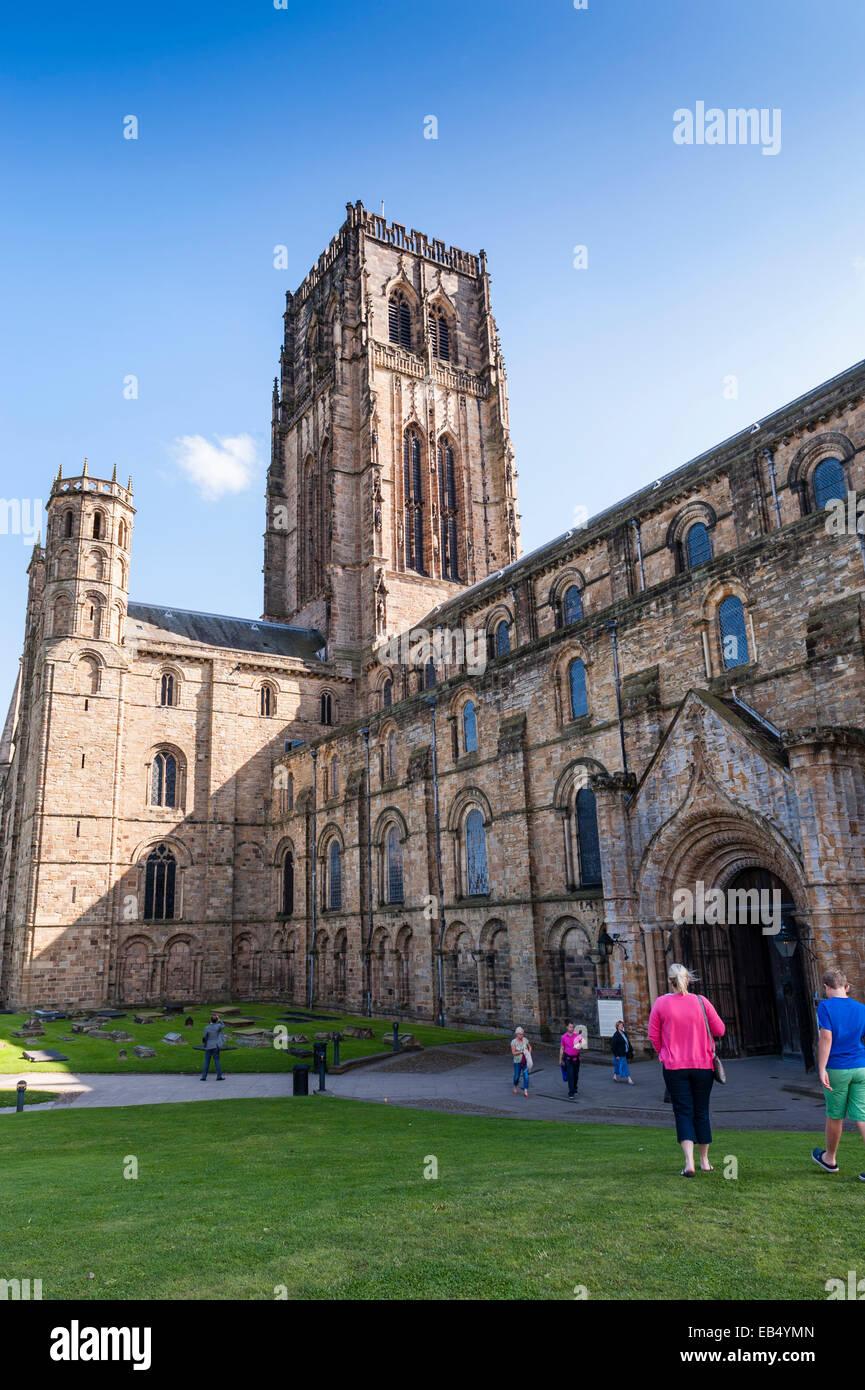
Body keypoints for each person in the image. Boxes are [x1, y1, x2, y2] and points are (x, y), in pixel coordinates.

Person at [648, 963, 725, 1176]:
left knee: (683, 1111)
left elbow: (653, 1035)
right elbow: (720, 1029)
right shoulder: (702, 1002)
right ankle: (705, 1161)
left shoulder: (661, 1003)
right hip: (702, 1065)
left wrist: (663, 1053)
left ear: (669, 981)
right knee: (701, 1111)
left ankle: (689, 1162)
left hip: (674, 1067)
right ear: (688, 980)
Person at [811, 967, 865, 1178]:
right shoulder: (861, 1008)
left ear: (826, 987)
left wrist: (821, 1067)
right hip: (861, 1066)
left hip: (838, 1068)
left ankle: (830, 1158)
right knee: (862, 1115)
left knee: (835, 1115)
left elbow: (826, 1038)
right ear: (847, 987)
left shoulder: (825, 1007)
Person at [558, 1021, 583, 1100]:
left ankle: (575, 1088)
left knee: (576, 1075)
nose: (571, 1029)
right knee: (570, 1075)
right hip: (568, 1059)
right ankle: (571, 1092)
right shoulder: (563, 1037)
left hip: (576, 1059)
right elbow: (562, 1048)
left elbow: (582, 1044)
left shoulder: (577, 1036)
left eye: (572, 1027)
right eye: (570, 1027)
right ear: (567, 1027)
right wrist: (560, 1059)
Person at [200, 1013, 227, 1081]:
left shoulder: (207, 1027)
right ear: (216, 1020)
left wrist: (205, 1043)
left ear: (210, 1020)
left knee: (206, 1061)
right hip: (215, 1046)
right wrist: (219, 1020)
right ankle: (219, 1076)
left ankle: (203, 1077)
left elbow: (204, 1037)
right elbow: (224, 1025)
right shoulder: (218, 1026)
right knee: (217, 1061)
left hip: (208, 1046)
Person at [510, 1026, 532, 1098]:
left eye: (522, 1034)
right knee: (517, 1076)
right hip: (517, 1062)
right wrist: (521, 1052)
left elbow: (530, 1047)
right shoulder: (513, 1042)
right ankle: (515, 1086)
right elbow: (513, 1053)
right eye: (520, 1034)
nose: (522, 1035)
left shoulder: (525, 1040)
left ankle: (526, 1091)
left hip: (525, 1061)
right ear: (517, 1034)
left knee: (526, 1076)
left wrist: (529, 1053)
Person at [611, 1019, 634, 1084]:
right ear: (617, 1027)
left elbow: (628, 1042)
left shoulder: (624, 1033)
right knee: (624, 1066)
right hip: (620, 1054)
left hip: (624, 1052)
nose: (621, 1026)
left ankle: (615, 1076)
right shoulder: (616, 1035)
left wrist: (631, 1050)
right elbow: (613, 1046)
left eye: (622, 1025)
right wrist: (616, 1055)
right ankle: (629, 1078)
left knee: (617, 1065)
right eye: (620, 1025)